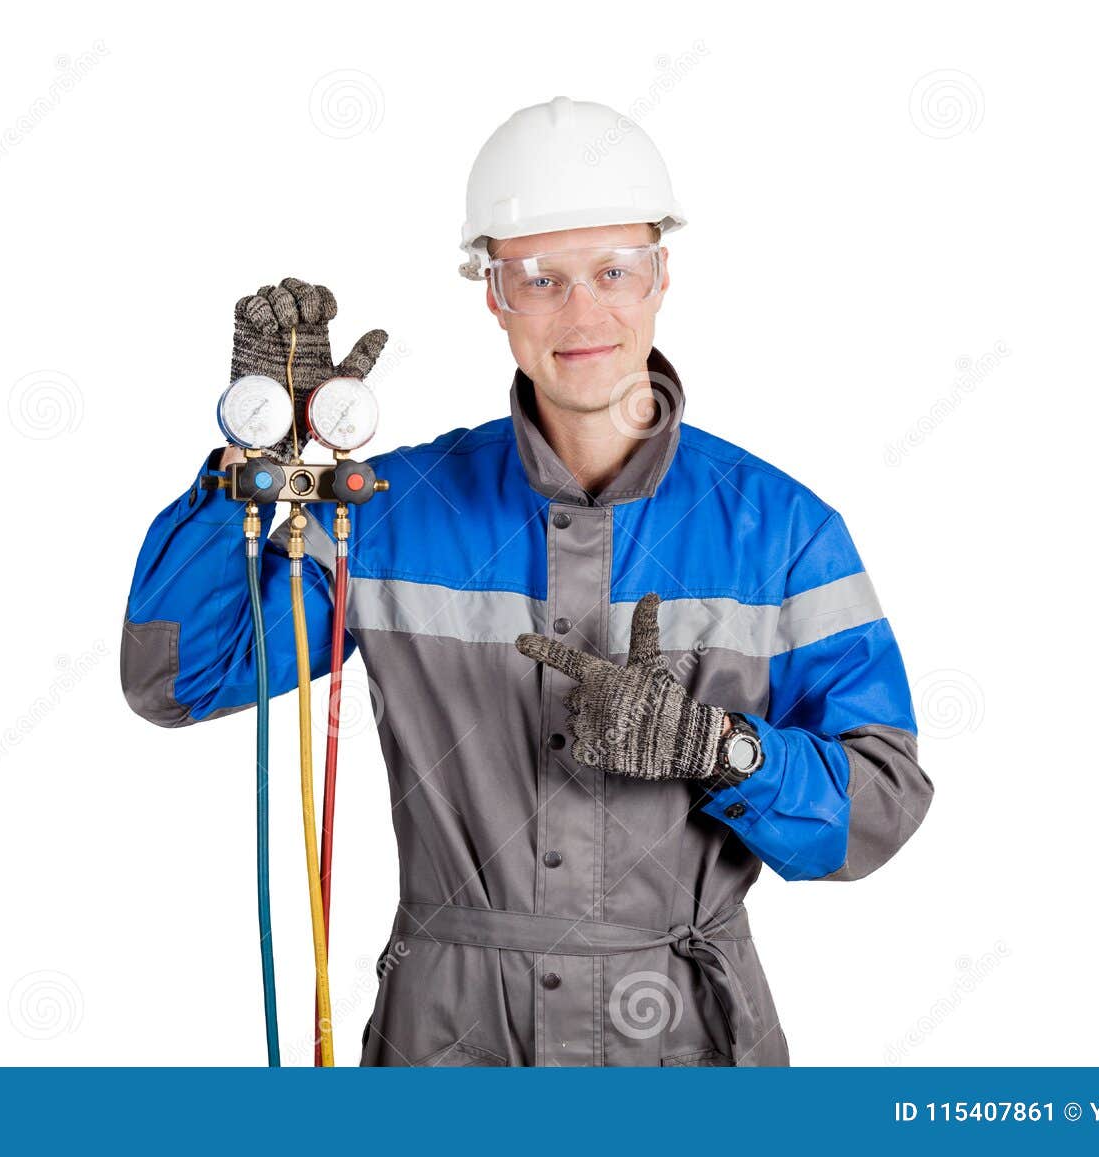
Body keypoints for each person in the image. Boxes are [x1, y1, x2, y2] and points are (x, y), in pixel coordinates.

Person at [120, 96, 934, 1066]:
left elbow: (876, 814)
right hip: (447, 1041)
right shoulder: (390, 511)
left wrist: (721, 746)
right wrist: (253, 457)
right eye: (539, 276)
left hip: (679, 1042)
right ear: (492, 293)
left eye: (612, 270)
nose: (581, 311)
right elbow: (180, 676)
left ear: (661, 275)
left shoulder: (782, 531)